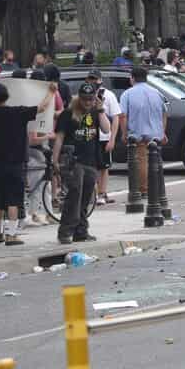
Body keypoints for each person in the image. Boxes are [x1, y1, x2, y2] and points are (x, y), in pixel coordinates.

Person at [0, 82, 37, 244]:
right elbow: (42, 108)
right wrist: (50, 93)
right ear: (7, 96)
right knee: (14, 200)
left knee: (0, 199)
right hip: (16, 162)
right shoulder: (19, 112)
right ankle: (12, 234)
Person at [51, 83, 107, 245]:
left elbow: (106, 129)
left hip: (90, 159)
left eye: (90, 100)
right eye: (84, 100)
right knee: (75, 194)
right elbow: (59, 137)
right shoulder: (67, 115)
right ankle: (65, 231)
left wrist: (101, 109)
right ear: (78, 98)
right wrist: (55, 160)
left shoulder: (95, 112)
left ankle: (81, 231)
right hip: (73, 159)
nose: (87, 103)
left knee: (86, 196)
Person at [118, 66, 167, 182]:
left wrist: (124, 133)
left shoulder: (127, 94)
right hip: (156, 135)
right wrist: (162, 132)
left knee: (141, 161)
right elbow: (164, 113)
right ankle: (157, 189)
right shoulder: (157, 92)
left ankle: (144, 189)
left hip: (138, 134)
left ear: (132, 78)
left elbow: (123, 115)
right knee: (156, 162)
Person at [85, 71, 122, 205]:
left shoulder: (108, 95)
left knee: (104, 166)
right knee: (91, 165)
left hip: (104, 136)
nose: (93, 82)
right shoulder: (85, 94)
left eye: (95, 79)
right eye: (90, 79)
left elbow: (116, 117)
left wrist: (112, 138)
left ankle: (102, 192)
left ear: (100, 80)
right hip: (89, 135)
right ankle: (92, 193)